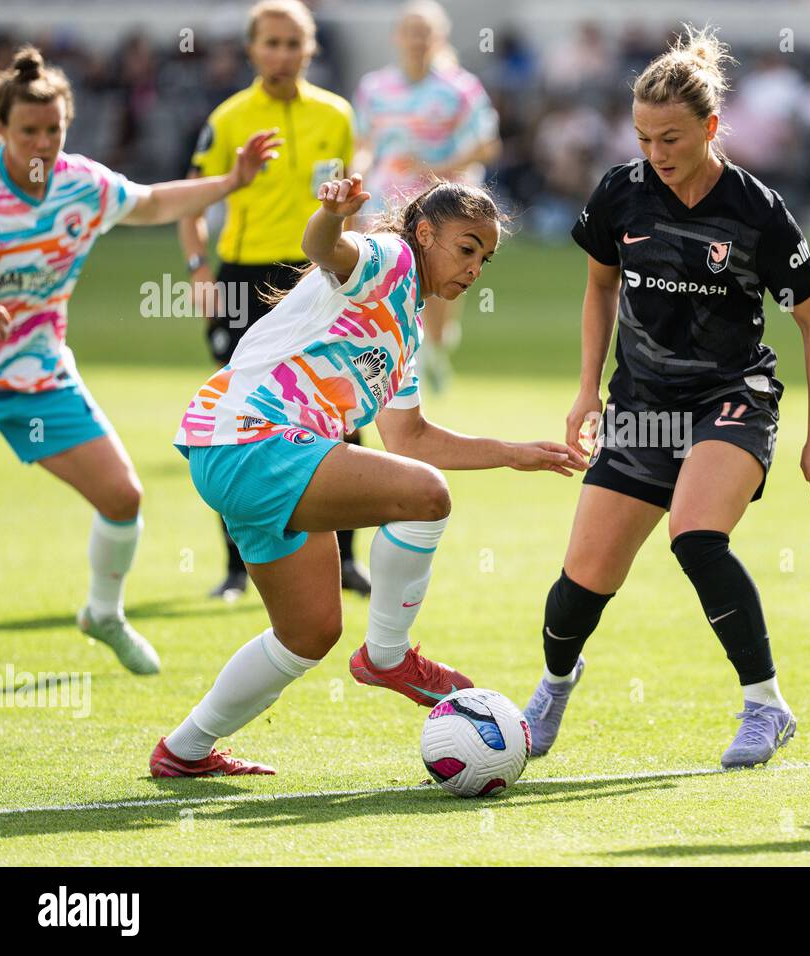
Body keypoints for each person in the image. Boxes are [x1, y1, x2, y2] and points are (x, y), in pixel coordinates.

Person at [151, 174, 586, 776]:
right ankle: (387, 656)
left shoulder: (406, 332)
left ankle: (184, 750)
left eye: (485, 258)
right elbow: (323, 248)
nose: (474, 268)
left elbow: (411, 438)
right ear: (426, 232)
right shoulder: (392, 258)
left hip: (242, 451)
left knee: (307, 634)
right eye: (466, 248)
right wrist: (333, 215)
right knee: (426, 495)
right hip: (253, 439)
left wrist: (513, 452)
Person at [521, 27, 810, 770]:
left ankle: (765, 706)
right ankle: (554, 688)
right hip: (641, 402)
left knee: (696, 537)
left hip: (734, 395)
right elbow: (600, 287)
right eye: (642, 138)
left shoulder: (757, 211)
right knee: (582, 581)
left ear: (711, 128)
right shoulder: (621, 194)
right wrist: (584, 392)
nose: (655, 153)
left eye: (670, 138)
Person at [0, 46, 276, 674]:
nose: (42, 143)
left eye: (53, 129)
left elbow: (149, 203)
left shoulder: (80, 185)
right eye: (27, 131)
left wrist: (229, 184)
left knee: (122, 496)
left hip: (36, 375)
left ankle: (103, 613)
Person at [178, 0, 370, 601]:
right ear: (252, 49)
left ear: (310, 49)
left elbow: (345, 193)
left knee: (338, 405)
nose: (282, 54)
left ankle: (345, 559)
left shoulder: (335, 115)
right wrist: (197, 269)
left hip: (313, 274)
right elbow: (192, 196)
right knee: (236, 420)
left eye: (293, 44)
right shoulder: (230, 117)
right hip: (242, 277)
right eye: (271, 43)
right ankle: (237, 569)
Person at [352, 0, 500, 394]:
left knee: (440, 280)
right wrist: (356, 172)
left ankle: (436, 344)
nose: (417, 40)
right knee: (389, 276)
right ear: (397, 36)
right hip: (388, 200)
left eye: (425, 32)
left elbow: (486, 144)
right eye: (410, 31)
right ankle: (398, 354)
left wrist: (437, 166)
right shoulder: (374, 87)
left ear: (438, 38)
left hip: (443, 202)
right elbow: (364, 141)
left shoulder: (459, 88)